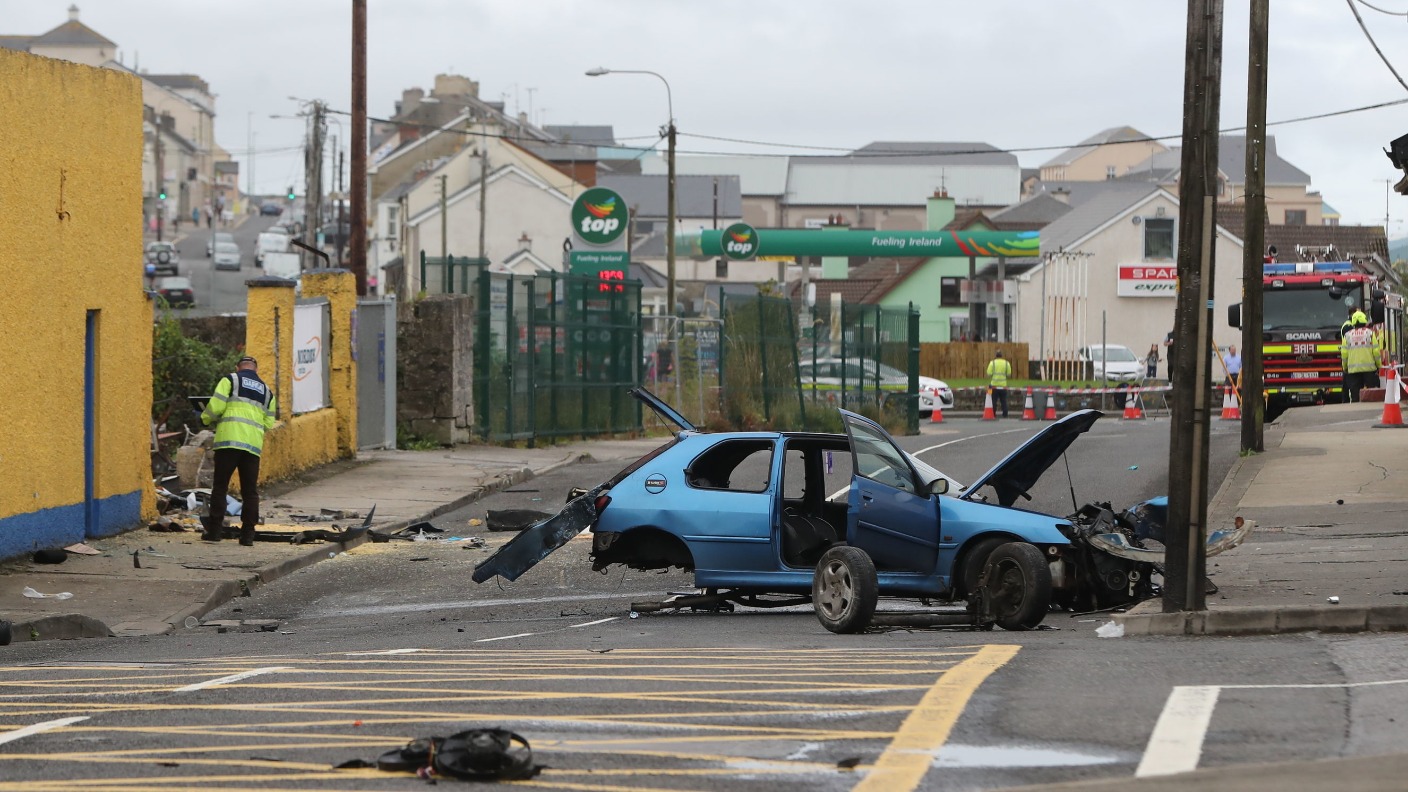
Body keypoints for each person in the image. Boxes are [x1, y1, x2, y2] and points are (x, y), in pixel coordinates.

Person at [199, 356, 277, 545]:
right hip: (252, 447)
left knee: (220, 486)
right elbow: (269, 422)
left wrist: (205, 419)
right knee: (250, 492)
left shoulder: (231, 380)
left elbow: (216, 407)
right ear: (255, 370)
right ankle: (248, 536)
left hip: (229, 442)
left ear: (238, 367)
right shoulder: (267, 392)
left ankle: (215, 531)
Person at [1340, 314, 1382, 403]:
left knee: (1355, 397)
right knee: (1372, 396)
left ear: (1353, 322)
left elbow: (1344, 354)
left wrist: (1345, 367)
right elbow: (1376, 352)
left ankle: (1357, 412)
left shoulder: (1347, 336)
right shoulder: (1370, 333)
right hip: (1369, 370)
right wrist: (1379, 365)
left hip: (1353, 371)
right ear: (1364, 321)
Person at [986, 349, 1014, 418]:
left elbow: (989, 374)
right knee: (1003, 401)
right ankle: (1005, 414)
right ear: (1001, 356)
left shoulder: (992, 363)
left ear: (996, 356)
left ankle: (993, 414)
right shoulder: (1006, 363)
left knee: (993, 401)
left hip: (994, 385)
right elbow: (1009, 374)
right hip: (1003, 385)